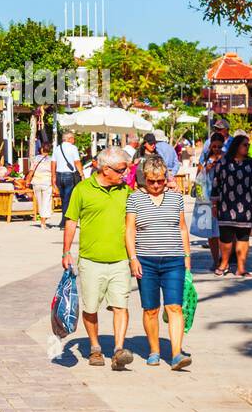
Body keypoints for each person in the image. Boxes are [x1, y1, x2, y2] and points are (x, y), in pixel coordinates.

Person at [62, 147, 135, 370]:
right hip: (91, 260)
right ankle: (95, 348)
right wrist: (66, 252)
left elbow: (132, 222)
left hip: (120, 260)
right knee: (91, 307)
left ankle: (119, 350)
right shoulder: (82, 190)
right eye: (122, 169)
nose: (125, 174)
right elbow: (71, 221)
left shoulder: (126, 191)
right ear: (106, 169)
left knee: (121, 305)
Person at [126, 154, 192, 370]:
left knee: (175, 306)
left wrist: (187, 256)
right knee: (151, 309)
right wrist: (133, 258)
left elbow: (182, 228)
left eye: (160, 181)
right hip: (146, 261)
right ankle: (154, 350)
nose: (156, 185)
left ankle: (176, 353)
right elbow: (130, 230)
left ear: (166, 178)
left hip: (173, 260)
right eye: (151, 181)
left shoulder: (176, 198)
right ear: (145, 178)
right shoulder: (135, 199)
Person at [212, 133, 252, 276]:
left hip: (247, 207)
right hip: (226, 205)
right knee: (225, 238)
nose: (247, 147)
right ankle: (224, 264)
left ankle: (241, 268)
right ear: (237, 146)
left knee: (243, 237)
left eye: (248, 145)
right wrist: (214, 205)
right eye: (245, 145)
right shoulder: (223, 162)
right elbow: (216, 184)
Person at [191, 130, 226, 265]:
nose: (216, 149)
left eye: (219, 146)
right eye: (214, 146)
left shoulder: (226, 158)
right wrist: (207, 168)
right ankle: (216, 260)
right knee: (211, 231)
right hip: (207, 196)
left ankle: (225, 258)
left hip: (223, 195)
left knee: (222, 231)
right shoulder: (205, 159)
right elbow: (198, 177)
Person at [54, 131, 82, 226]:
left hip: (59, 175)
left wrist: (53, 176)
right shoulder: (73, 148)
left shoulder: (57, 148)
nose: (74, 140)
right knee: (68, 198)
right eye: (73, 138)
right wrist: (82, 174)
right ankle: (65, 221)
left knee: (63, 198)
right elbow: (77, 162)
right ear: (69, 139)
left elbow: (53, 163)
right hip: (69, 175)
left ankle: (63, 219)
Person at [29, 141, 54, 229]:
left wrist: (28, 180)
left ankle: (42, 220)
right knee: (46, 201)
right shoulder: (52, 160)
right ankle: (43, 221)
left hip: (36, 182)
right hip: (47, 182)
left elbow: (31, 171)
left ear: (41, 149)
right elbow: (54, 173)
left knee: (40, 202)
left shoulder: (36, 158)